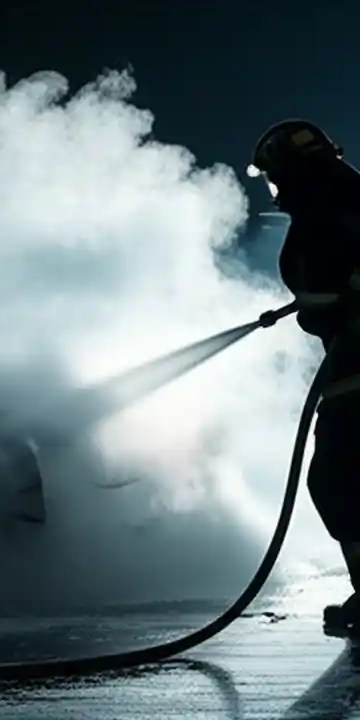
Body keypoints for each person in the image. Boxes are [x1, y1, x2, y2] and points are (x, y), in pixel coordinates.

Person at [250, 119, 360, 632]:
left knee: (338, 479)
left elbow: (323, 296)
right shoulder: (348, 196)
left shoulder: (321, 216)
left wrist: (314, 311)